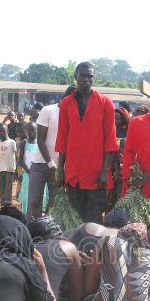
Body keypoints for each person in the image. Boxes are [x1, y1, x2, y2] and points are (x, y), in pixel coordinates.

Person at [55, 62, 119, 223]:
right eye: (82, 75)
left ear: (94, 78)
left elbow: (110, 140)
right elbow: (62, 137)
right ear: (76, 77)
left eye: (89, 76)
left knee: (93, 221)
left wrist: (105, 170)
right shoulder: (66, 103)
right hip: (73, 172)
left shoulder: (105, 103)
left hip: (96, 174)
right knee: (75, 220)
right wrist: (60, 170)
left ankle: (92, 248)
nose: (86, 79)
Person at [33, 86, 76, 218]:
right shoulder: (48, 110)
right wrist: (51, 164)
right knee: (35, 203)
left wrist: (61, 168)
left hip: (60, 169)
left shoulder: (74, 114)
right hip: (41, 164)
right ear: (68, 97)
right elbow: (40, 140)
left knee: (54, 205)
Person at [120, 100, 150, 206]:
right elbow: (128, 151)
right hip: (134, 178)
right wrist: (128, 176)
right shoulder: (136, 122)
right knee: (128, 213)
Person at [0, 123, 15, 207]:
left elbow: (16, 156)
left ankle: (8, 205)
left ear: (7, 131)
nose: (2, 133)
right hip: (0, 169)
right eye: (0, 131)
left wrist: (17, 170)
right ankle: (3, 204)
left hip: (10, 168)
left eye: (3, 131)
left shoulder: (12, 142)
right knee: (1, 188)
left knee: (8, 188)